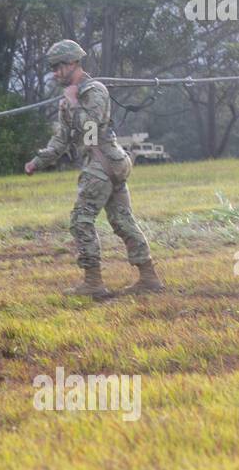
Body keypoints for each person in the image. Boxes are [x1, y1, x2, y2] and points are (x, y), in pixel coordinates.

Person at [24, 40, 163, 299]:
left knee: (81, 221)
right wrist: (37, 162)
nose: (54, 73)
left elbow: (89, 130)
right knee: (122, 221)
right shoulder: (69, 100)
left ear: (73, 63)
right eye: (53, 68)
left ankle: (93, 282)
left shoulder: (94, 91)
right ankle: (148, 277)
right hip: (105, 163)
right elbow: (61, 139)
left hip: (103, 162)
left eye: (58, 67)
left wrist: (74, 101)